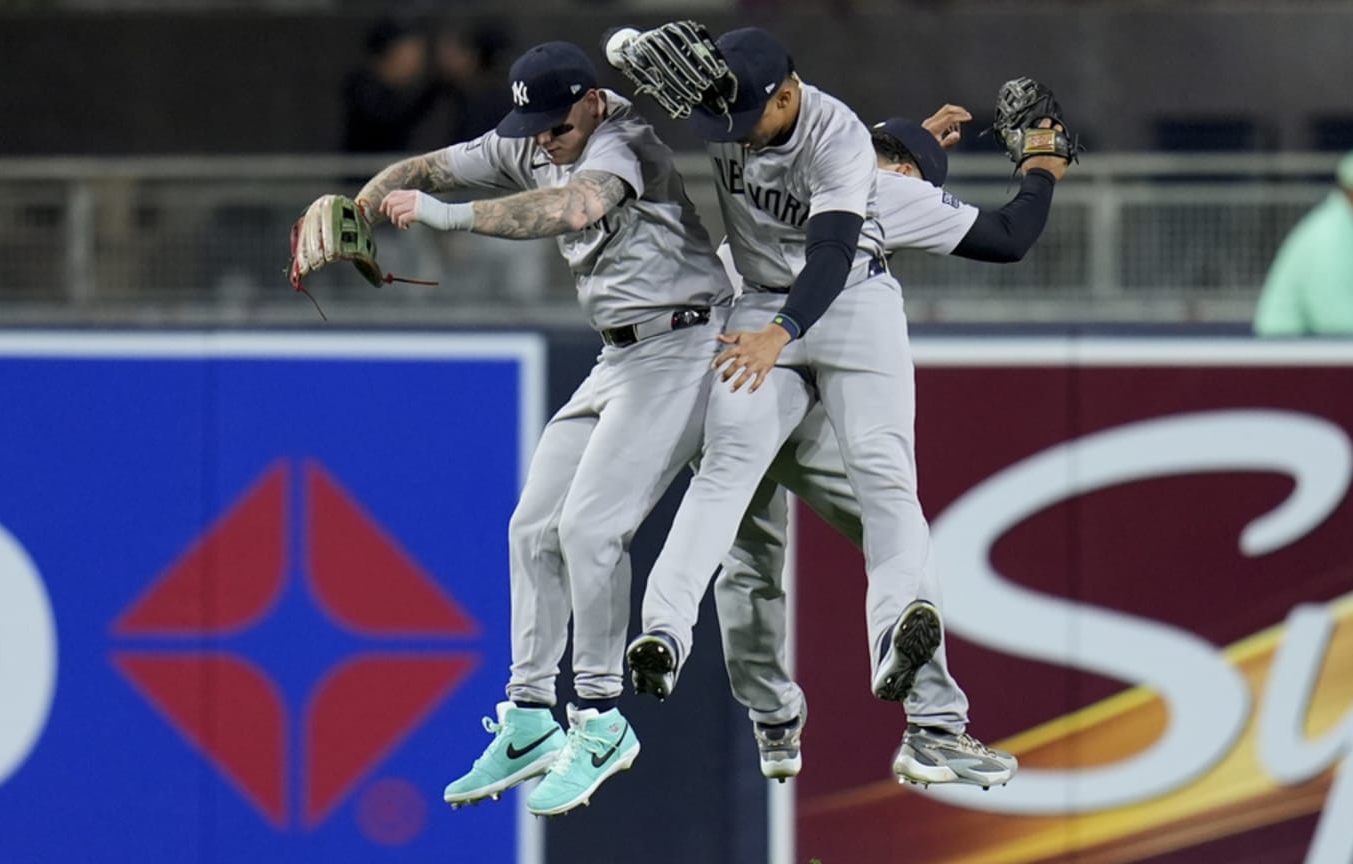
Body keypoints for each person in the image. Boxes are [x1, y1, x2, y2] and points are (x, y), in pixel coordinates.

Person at [345, 40, 733, 817]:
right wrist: (357, 203)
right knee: (532, 527)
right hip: (619, 355)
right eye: (537, 125)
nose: (545, 140)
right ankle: (529, 716)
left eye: (557, 124)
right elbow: (429, 166)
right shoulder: (534, 133)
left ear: (593, 98)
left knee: (591, 529)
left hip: (687, 343)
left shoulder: (624, 141)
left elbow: (569, 207)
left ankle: (599, 719)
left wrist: (447, 218)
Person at [602, 25, 974, 785]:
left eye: (906, 167)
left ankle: (917, 694)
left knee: (880, 502)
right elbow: (657, 72)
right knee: (749, 544)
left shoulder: (855, 162)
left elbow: (843, 247)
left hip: (803, 332)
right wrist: (633, 50)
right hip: (751, 333)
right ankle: (693, 653)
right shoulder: (763, 112)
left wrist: (1035, 174)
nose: (730, 134)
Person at [711, 108, 1070, 787]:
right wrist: (1040, 172)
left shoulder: (799, 165)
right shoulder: (889, 188)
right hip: (788, 349)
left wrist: (912, 135)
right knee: (893, 526)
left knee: (748, 556)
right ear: (905, 171)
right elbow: (1008, 235)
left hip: (725, 360)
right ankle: (932, 727)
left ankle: (772, 711)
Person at [1254, 147, 1353, 337]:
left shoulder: (1343, 229)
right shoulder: (1331, 236)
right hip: (1291, 357)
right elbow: (1334, 320)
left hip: (1302, 352)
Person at [341, 19, 443, 153]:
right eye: (409, 56)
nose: (416, 65)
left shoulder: (400, 93)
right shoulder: (361, 89)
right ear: (389, 54)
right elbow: (389, 123)